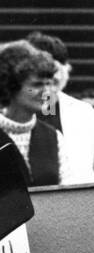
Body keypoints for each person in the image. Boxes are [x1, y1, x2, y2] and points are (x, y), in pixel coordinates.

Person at [25, 31, 94, 183]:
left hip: (84, 204)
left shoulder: (84, 113)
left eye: (56, 70)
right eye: (43, 70)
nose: (50, 78)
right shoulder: (9, 115)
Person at [0, 42, 73, 185]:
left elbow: (67, 197)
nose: (46, 92)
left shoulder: (54, 137)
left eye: (49, 84)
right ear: (12, 86)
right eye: (37, 85)